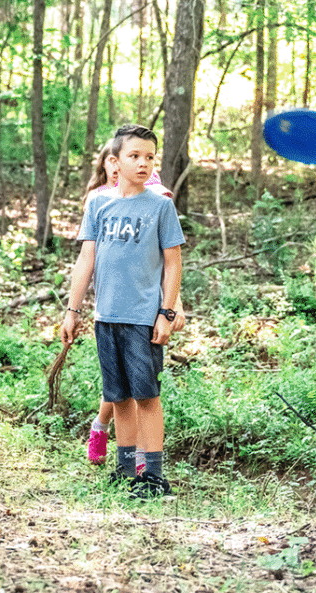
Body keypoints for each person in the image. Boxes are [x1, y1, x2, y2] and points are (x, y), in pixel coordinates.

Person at [62, 124, 185, 499]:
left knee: (146, 395)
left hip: (142, 318)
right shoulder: (98, 204)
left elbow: (174, 263)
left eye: (150, 157)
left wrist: (166, 312)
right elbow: (86, 259)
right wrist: (72, 309)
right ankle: (126, 468)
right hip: (106, 316)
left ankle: (154, 476)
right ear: (114, 162)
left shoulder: (161, 205)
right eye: (135, 156)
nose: (144, 163)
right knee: (117, 396)